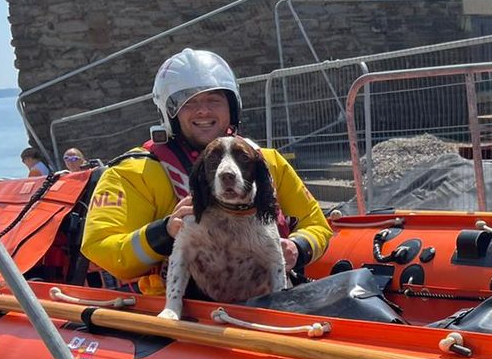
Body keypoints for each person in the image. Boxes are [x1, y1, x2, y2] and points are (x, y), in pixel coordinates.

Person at [80, 48, 332, 295]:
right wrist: (164, 231)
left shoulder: (266, 162)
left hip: (268, 298)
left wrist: (297, 247)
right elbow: (100, 246)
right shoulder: (133, 173)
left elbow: (315, 223)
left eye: (214, 99)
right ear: (170, 112)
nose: (203, 110)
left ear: (232, 107)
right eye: (189, 102)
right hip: (188, 315)